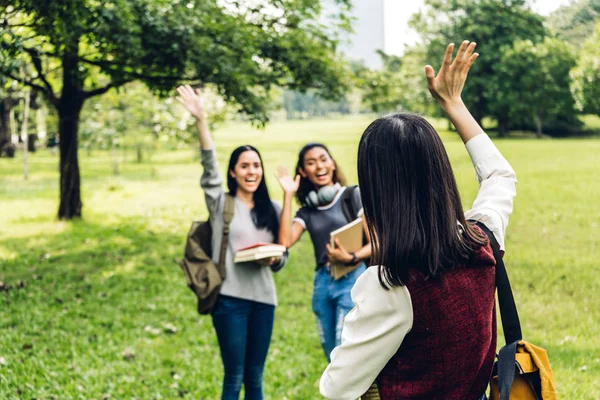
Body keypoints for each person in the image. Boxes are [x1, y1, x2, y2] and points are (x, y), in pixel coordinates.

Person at [319, 41, 517, 400]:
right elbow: (500, 176)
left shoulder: (389, 283)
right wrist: (454, 104)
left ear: (377, 191)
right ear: (439, 172)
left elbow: (336, 388)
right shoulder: (483, 238)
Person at [176, 85, 287, 400]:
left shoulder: (273, 210)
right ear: (234, 173)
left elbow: (283, 256)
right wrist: (201, 120)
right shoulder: (220, 203)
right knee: (234, 375)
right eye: (244, 166)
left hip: (264, 300)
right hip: (229, 300)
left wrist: (275, 259)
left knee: (255, 377)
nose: (251, 171)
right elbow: (209, 169)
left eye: (256, 166)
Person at [277, 143, 372, 361]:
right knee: (331, 354)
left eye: (323, 159)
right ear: (303, 171)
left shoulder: (351, 196)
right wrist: (288, 195)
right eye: (311, 163)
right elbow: (285, 241)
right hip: (323, 283)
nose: (319, 166)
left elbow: (378, 242)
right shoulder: (307, 211)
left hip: (352, 278)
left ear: (332, 163)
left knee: (346, 349)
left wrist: (352, 257)